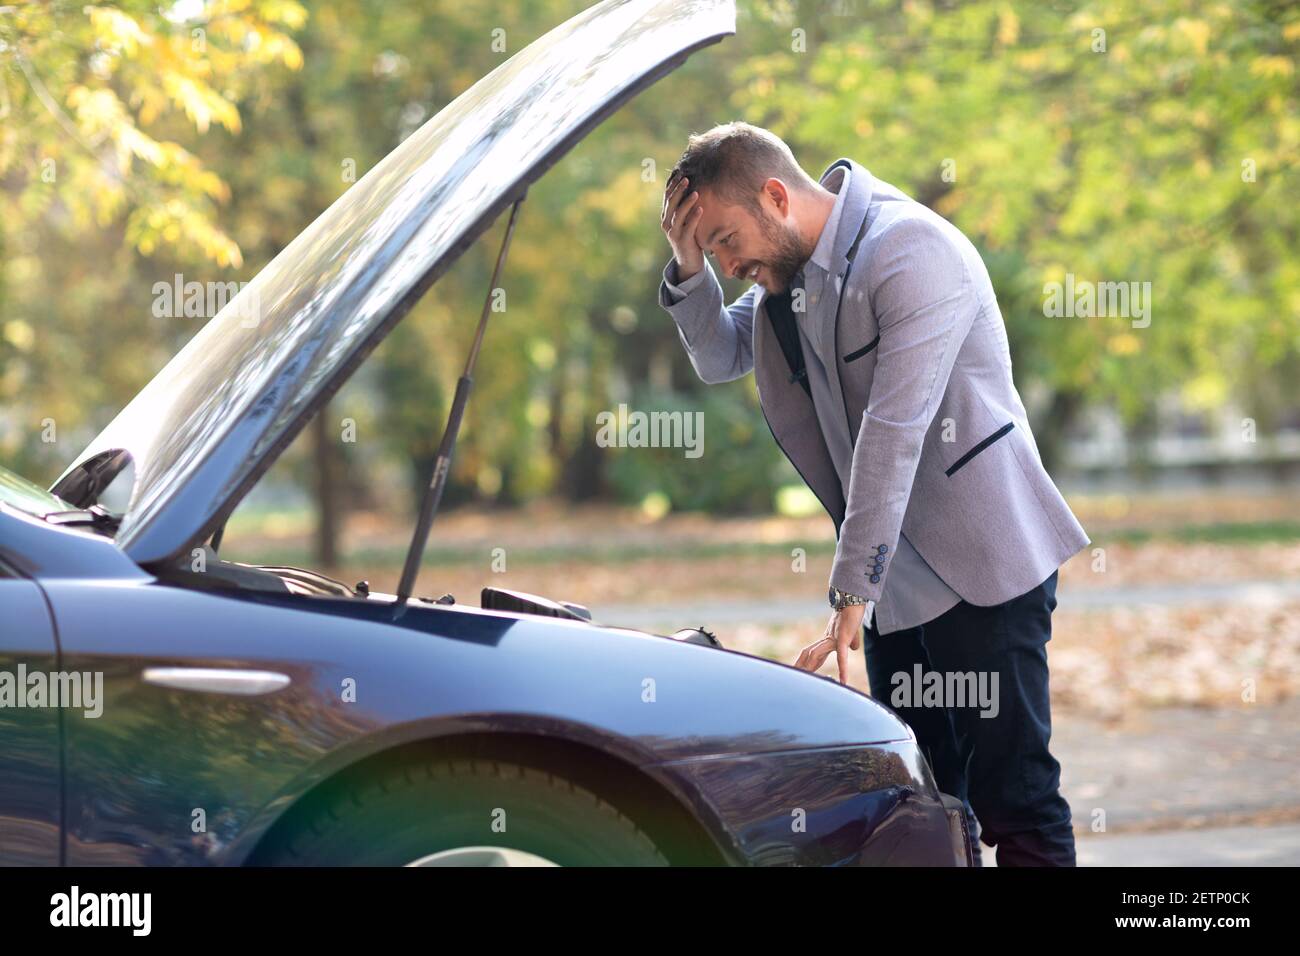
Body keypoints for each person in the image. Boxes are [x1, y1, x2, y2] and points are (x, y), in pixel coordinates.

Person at [656, 121, 1089, 867]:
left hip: (984, 566)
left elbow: (895, 433)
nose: (728, 265)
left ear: (775, 196)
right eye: (714, 251)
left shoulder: (911, 250)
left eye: (725, 240)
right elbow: (721, 355)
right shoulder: (790, 279)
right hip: (896, 584)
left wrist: (851, 590)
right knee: (919, 807)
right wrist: (686, 263)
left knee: (1014, 801)